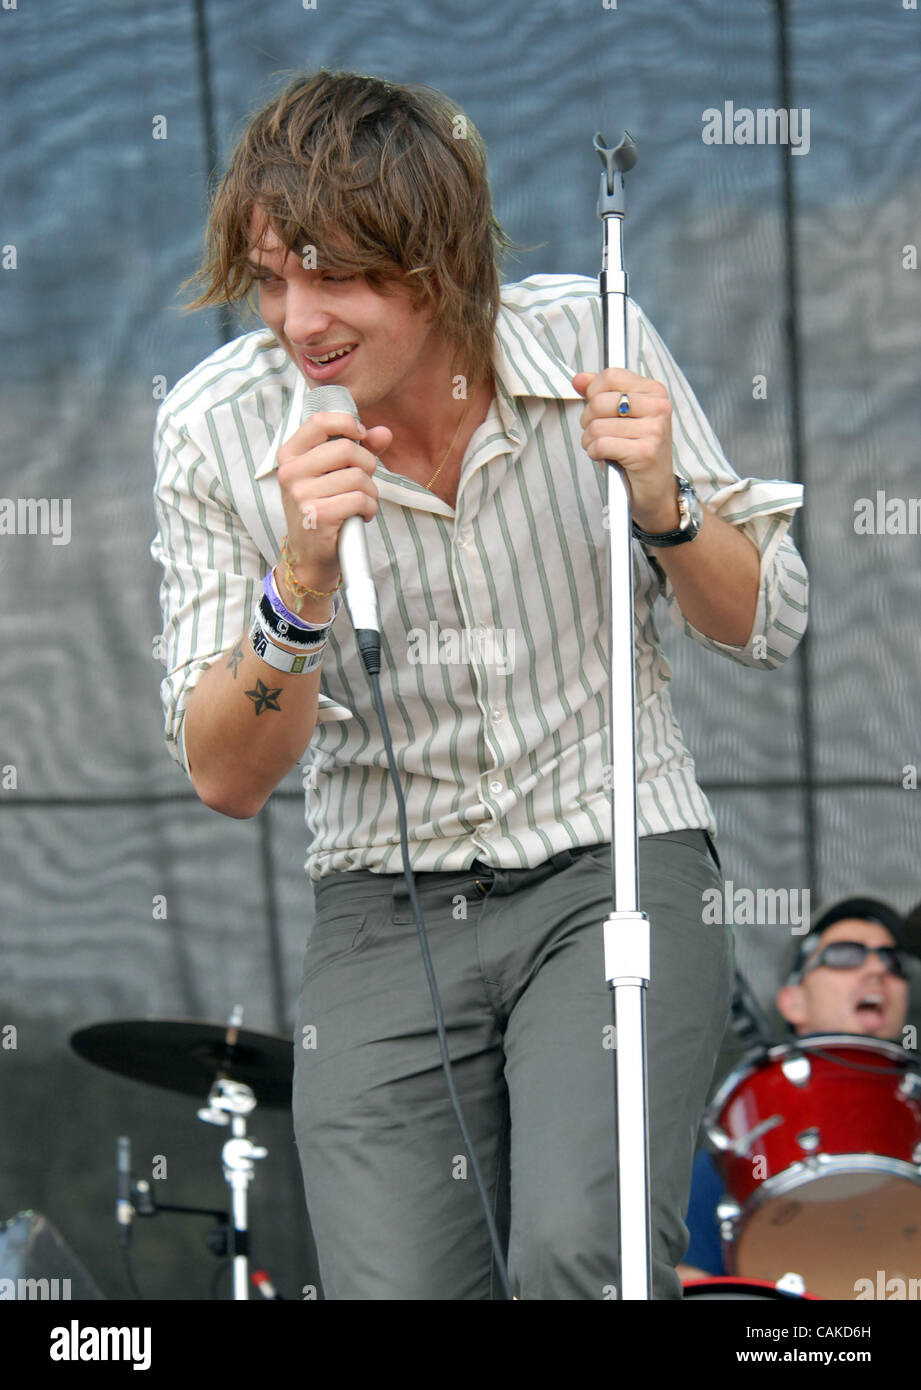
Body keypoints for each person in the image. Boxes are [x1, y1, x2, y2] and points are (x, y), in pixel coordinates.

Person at [150, 70, 808, 1300]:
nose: (297, 318)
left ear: (435, 257)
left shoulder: (589, 340)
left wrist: (665, 507)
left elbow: (765, 618)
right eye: (271, 275)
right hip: (381, 905)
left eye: (333, 274)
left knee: (583, 1255)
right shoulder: (214, 430)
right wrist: (298, 584)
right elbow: (225, 776)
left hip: (612, 853)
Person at [679, 896, 912, 1282]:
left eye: (892, 961)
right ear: (793, 1002)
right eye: (844, 955)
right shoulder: (747, 1145)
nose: (876, 969)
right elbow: (680, 1276)